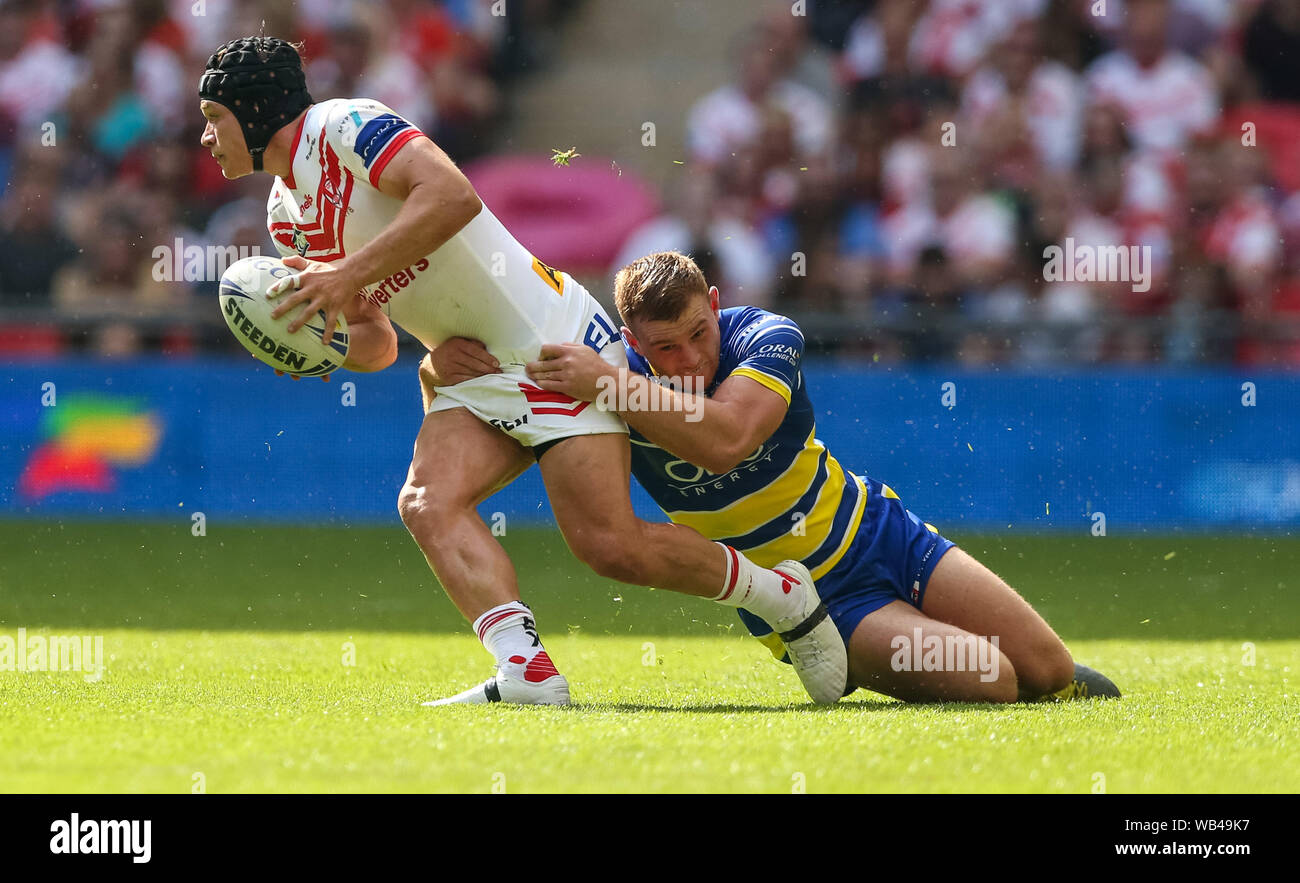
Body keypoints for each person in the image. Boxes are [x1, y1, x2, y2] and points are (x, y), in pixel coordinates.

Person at [196, 36, 847, 706]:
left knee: (609, 547)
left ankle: (783, 594)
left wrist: (345, 277)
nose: (206, 136)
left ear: (254, 108)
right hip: (470, 369)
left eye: (214, 116)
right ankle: (527, 671)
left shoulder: (346, 126)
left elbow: (452, 197)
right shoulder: (285, 217)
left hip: (551, 344)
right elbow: (377, 339)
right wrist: (319, 345)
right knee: (426, 501)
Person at [427, 252, 1121, 702]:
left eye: (700, 332)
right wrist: (443, 369)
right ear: (633, 341)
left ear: (717, 303)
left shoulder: (764, 336)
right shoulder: (610, 380)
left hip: (880, 532)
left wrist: (611, 384)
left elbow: (727, 438)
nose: (690, 357)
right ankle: (871, 654)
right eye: (664, 348)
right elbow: (517, 419)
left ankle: (1031, 673)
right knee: (994, 678)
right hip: (818, 602)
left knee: (1050, 669)